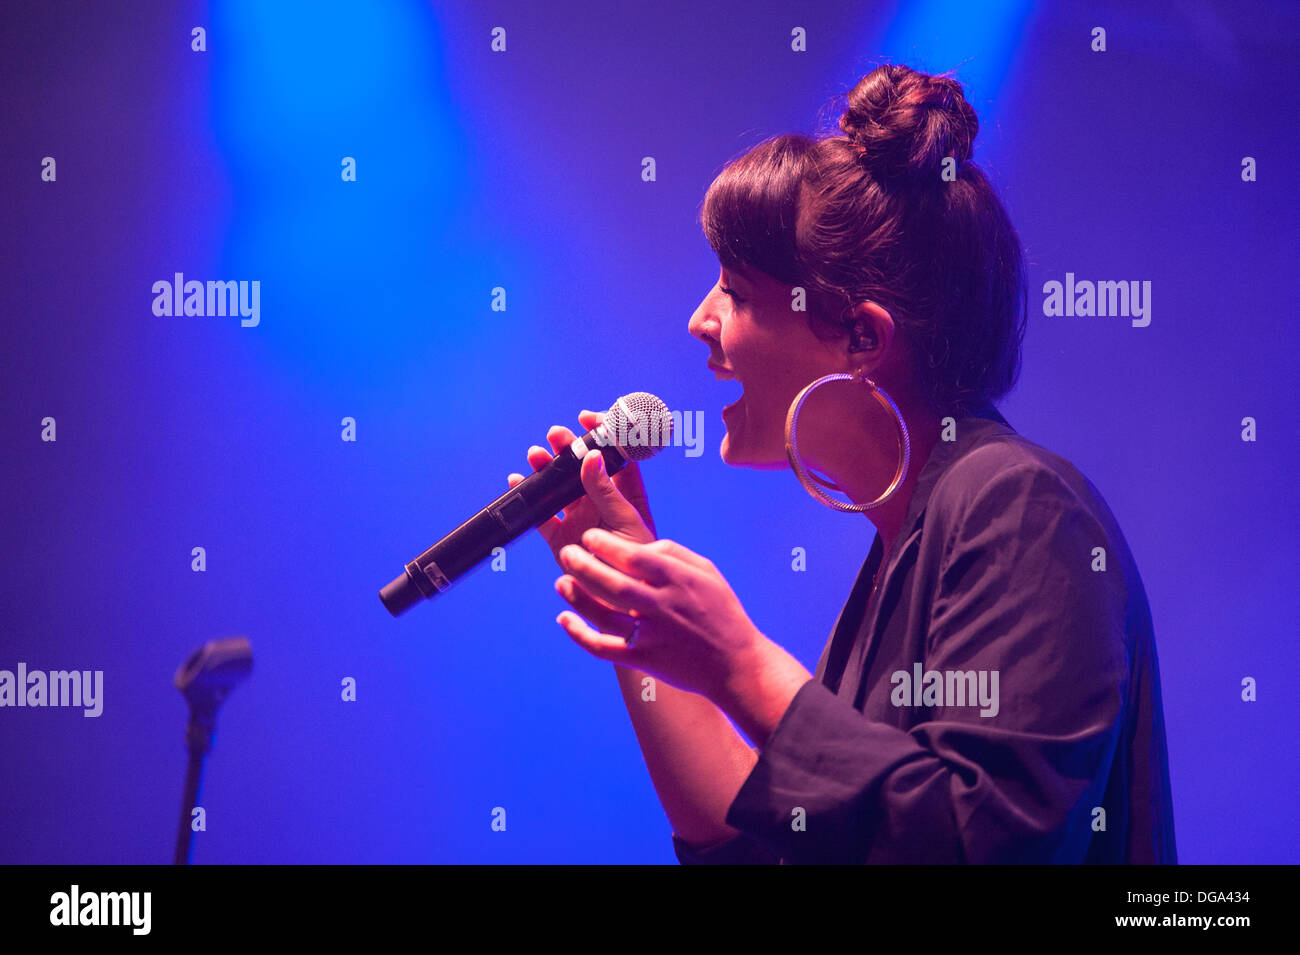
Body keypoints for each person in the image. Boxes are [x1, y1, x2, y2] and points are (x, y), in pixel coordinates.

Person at [507, 64, 1176, 864]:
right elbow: (759, 845)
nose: (700, 321)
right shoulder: (905, 547)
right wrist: (635, 590)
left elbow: (982, 841)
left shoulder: (1021, 506)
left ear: (863, 337)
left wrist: (741, 663)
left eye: (736, 292)